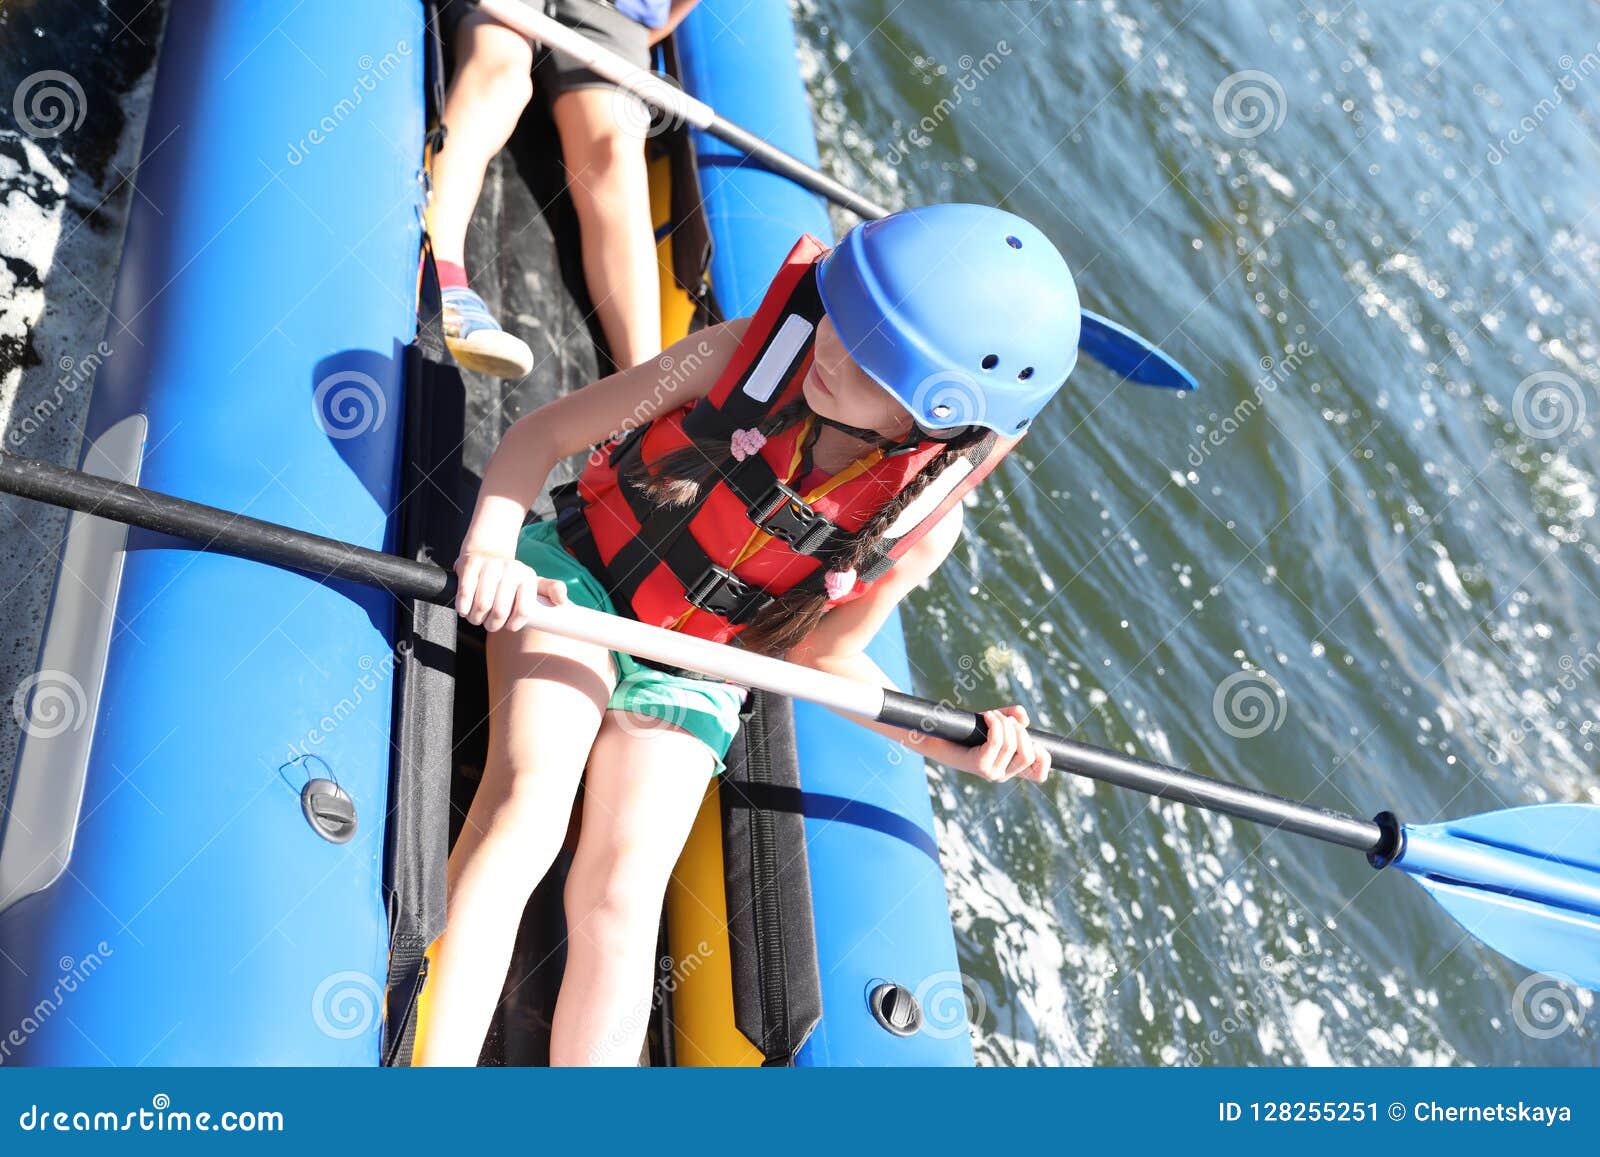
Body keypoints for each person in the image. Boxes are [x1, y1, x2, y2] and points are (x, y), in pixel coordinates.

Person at [414, 204, 1077, 1065]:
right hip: (575, 588)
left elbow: (824, 655)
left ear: (938, 418)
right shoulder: (740, 355)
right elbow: (543, 435)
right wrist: (493, 550)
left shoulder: (920, 523)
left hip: (698, 670)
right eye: (839, 318)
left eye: (871, 358)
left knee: (622, 894)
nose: (830, 349)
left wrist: (949, 742)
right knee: (529, 804)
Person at [432, 0, 699, 379]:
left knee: (612, 152)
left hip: (614, 11)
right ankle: (442, 278)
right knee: (500, 75)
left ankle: (644, 385)